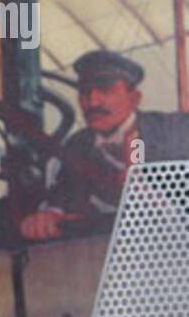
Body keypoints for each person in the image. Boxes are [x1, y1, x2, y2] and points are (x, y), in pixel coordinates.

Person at [20, 50, 189, 241]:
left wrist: (146, 190)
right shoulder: (77, 146)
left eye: (105, 90)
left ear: (134, 99)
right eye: (85, 92)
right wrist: (50, 215)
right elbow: (63, 196)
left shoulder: (176, 131)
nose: (93, 101)